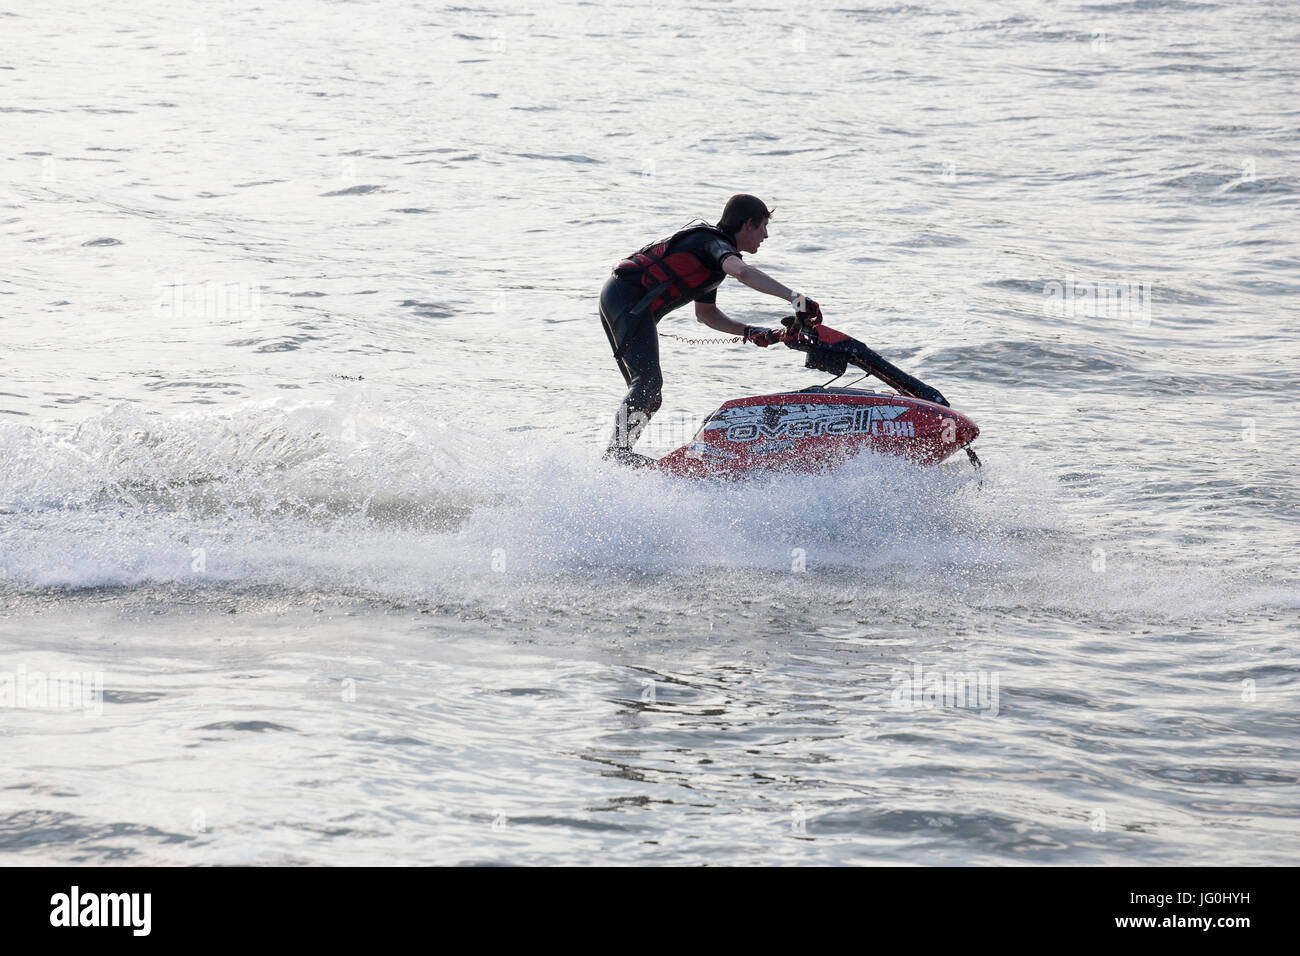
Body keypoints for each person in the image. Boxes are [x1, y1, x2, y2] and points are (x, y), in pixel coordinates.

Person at [598, 194, 822, 466]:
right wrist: (797, 299)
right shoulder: (713, 243)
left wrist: (754, 332)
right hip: (625, 299)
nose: (766, 235)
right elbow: (744, 273)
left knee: (650, 394)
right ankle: (617, 454)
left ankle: (619, 457)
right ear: (748, 224)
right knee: (647, 383)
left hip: (622, 299)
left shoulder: (711, 261)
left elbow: (706, 315)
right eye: (764, 226)